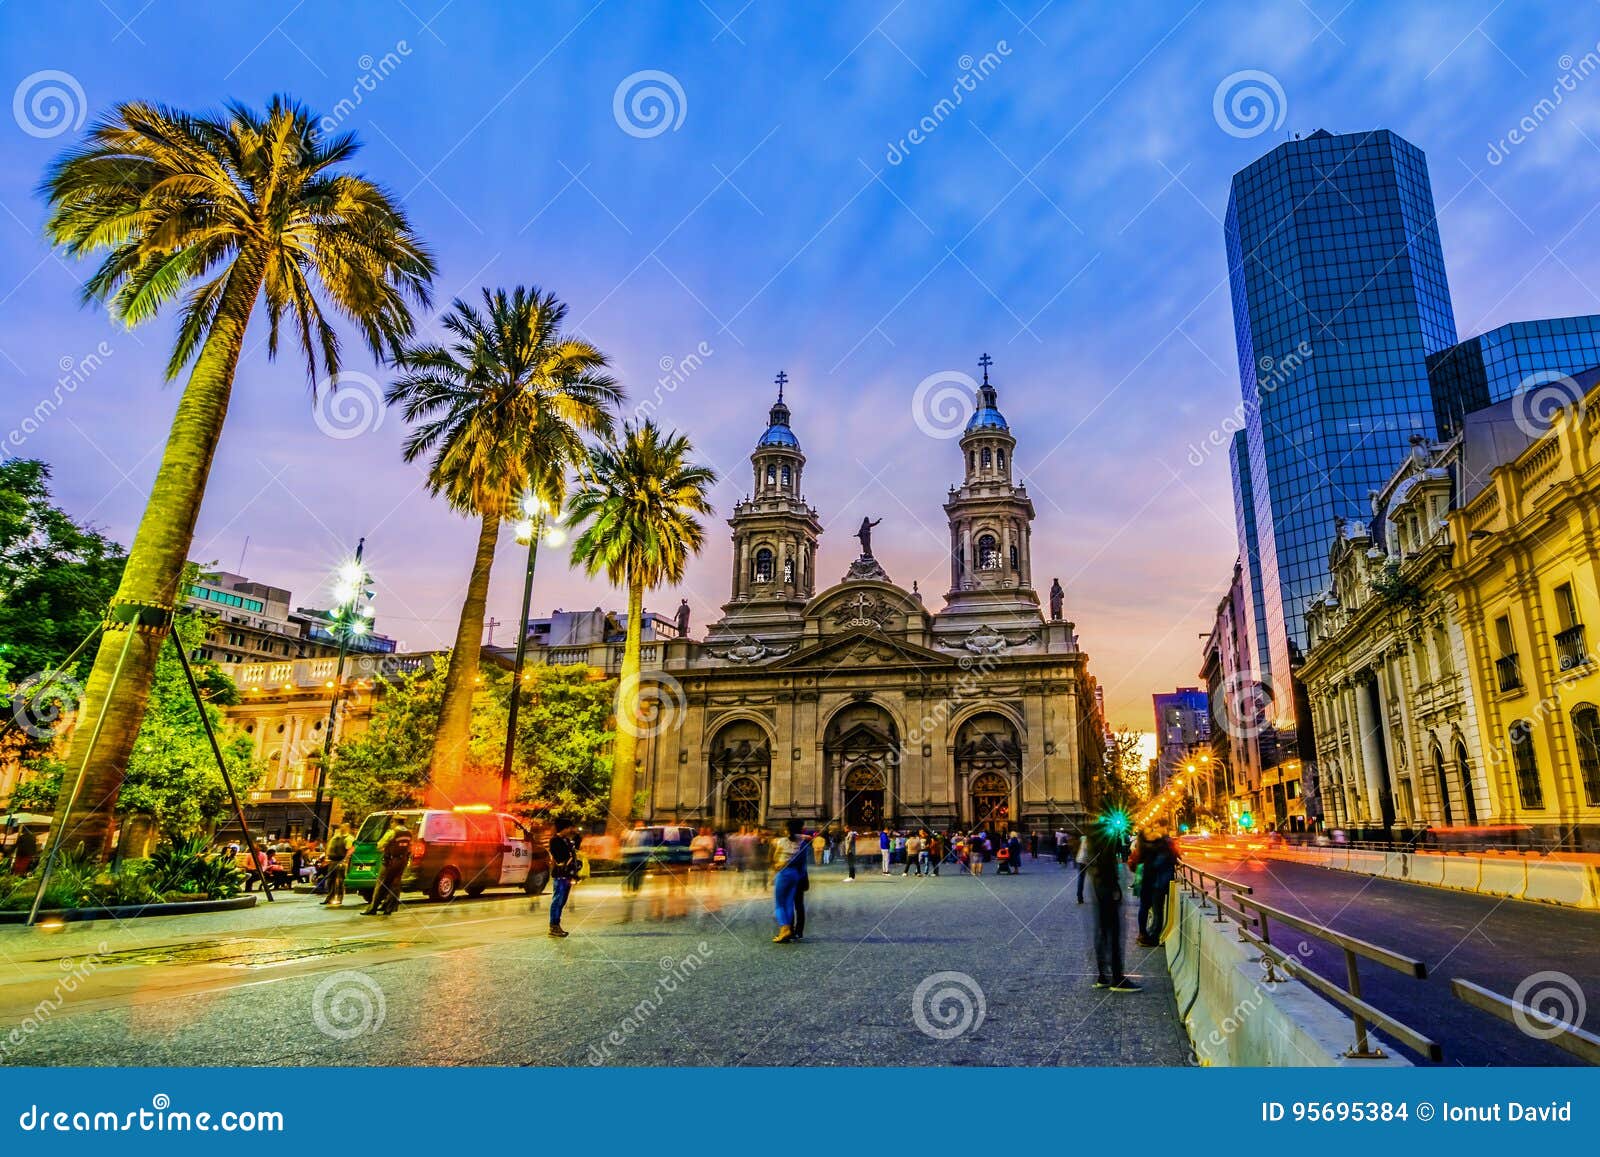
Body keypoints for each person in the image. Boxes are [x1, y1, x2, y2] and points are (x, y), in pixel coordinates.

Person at [1084, 824, 1139, 991]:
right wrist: (1115, 888)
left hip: (1098, 889)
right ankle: (1117, 979)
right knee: (1114, 934)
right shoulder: (1105, 845)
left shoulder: (1092, 842)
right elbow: (1108, 867)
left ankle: (1103, 976)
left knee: (1102, 932)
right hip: (1107, 891)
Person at [1129, 823, 1181, 946]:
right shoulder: (1158, 845)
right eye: (1150, 831)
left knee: (1152, 909)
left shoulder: (1155, 844)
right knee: (1153, 910)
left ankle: (1149, 935)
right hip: (1153, 882)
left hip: (1153, 882)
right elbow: (1161, 862)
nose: (1153, 832)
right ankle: (1147, 935)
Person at [771, 819, 810, 943]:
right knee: (792, 904)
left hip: (784, 873)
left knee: (780, 904)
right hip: (797, 875)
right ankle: (795, 932)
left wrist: (779, 864)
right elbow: (803, 865)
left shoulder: (782, 841)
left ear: (787, 829)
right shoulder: (803, 843)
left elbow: (775, 858)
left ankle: (786, 929)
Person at [362, 819, 411, 916]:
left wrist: (384, 848)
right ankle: (389, 908)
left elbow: (380, 845)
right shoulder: (408, 833)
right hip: (402, 861)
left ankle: (373, 908)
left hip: (390, 862)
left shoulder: (392, 832)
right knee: (395, 885)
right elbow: (409, 848)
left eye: (391, 823)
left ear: (394, 822)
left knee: (381, 884)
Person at [547, 822, 581, 937]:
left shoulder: (566, 840)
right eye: (569, 828)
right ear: (563, 828)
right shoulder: (555, 841)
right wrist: (568, 857)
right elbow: (560, 857)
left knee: (562, 901)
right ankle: (554, 926)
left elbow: (576, 849)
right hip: (560, 874)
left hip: (567, 875)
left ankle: (556, 925)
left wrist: (577, 836)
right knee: (558, 900)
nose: (570, 830)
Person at [321, 823, 352, 907]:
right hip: (332, 861)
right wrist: (327, 858)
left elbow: (349, 850)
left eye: (344, 827)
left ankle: (338, 898)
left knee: (340, 881)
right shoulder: (336, 837)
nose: (342, 828)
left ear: (347, 828)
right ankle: (329, 897)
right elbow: (329, 848)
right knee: (330, 880)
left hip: (341, 861)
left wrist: (345, 861)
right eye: (341, 827)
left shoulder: (348, 838)